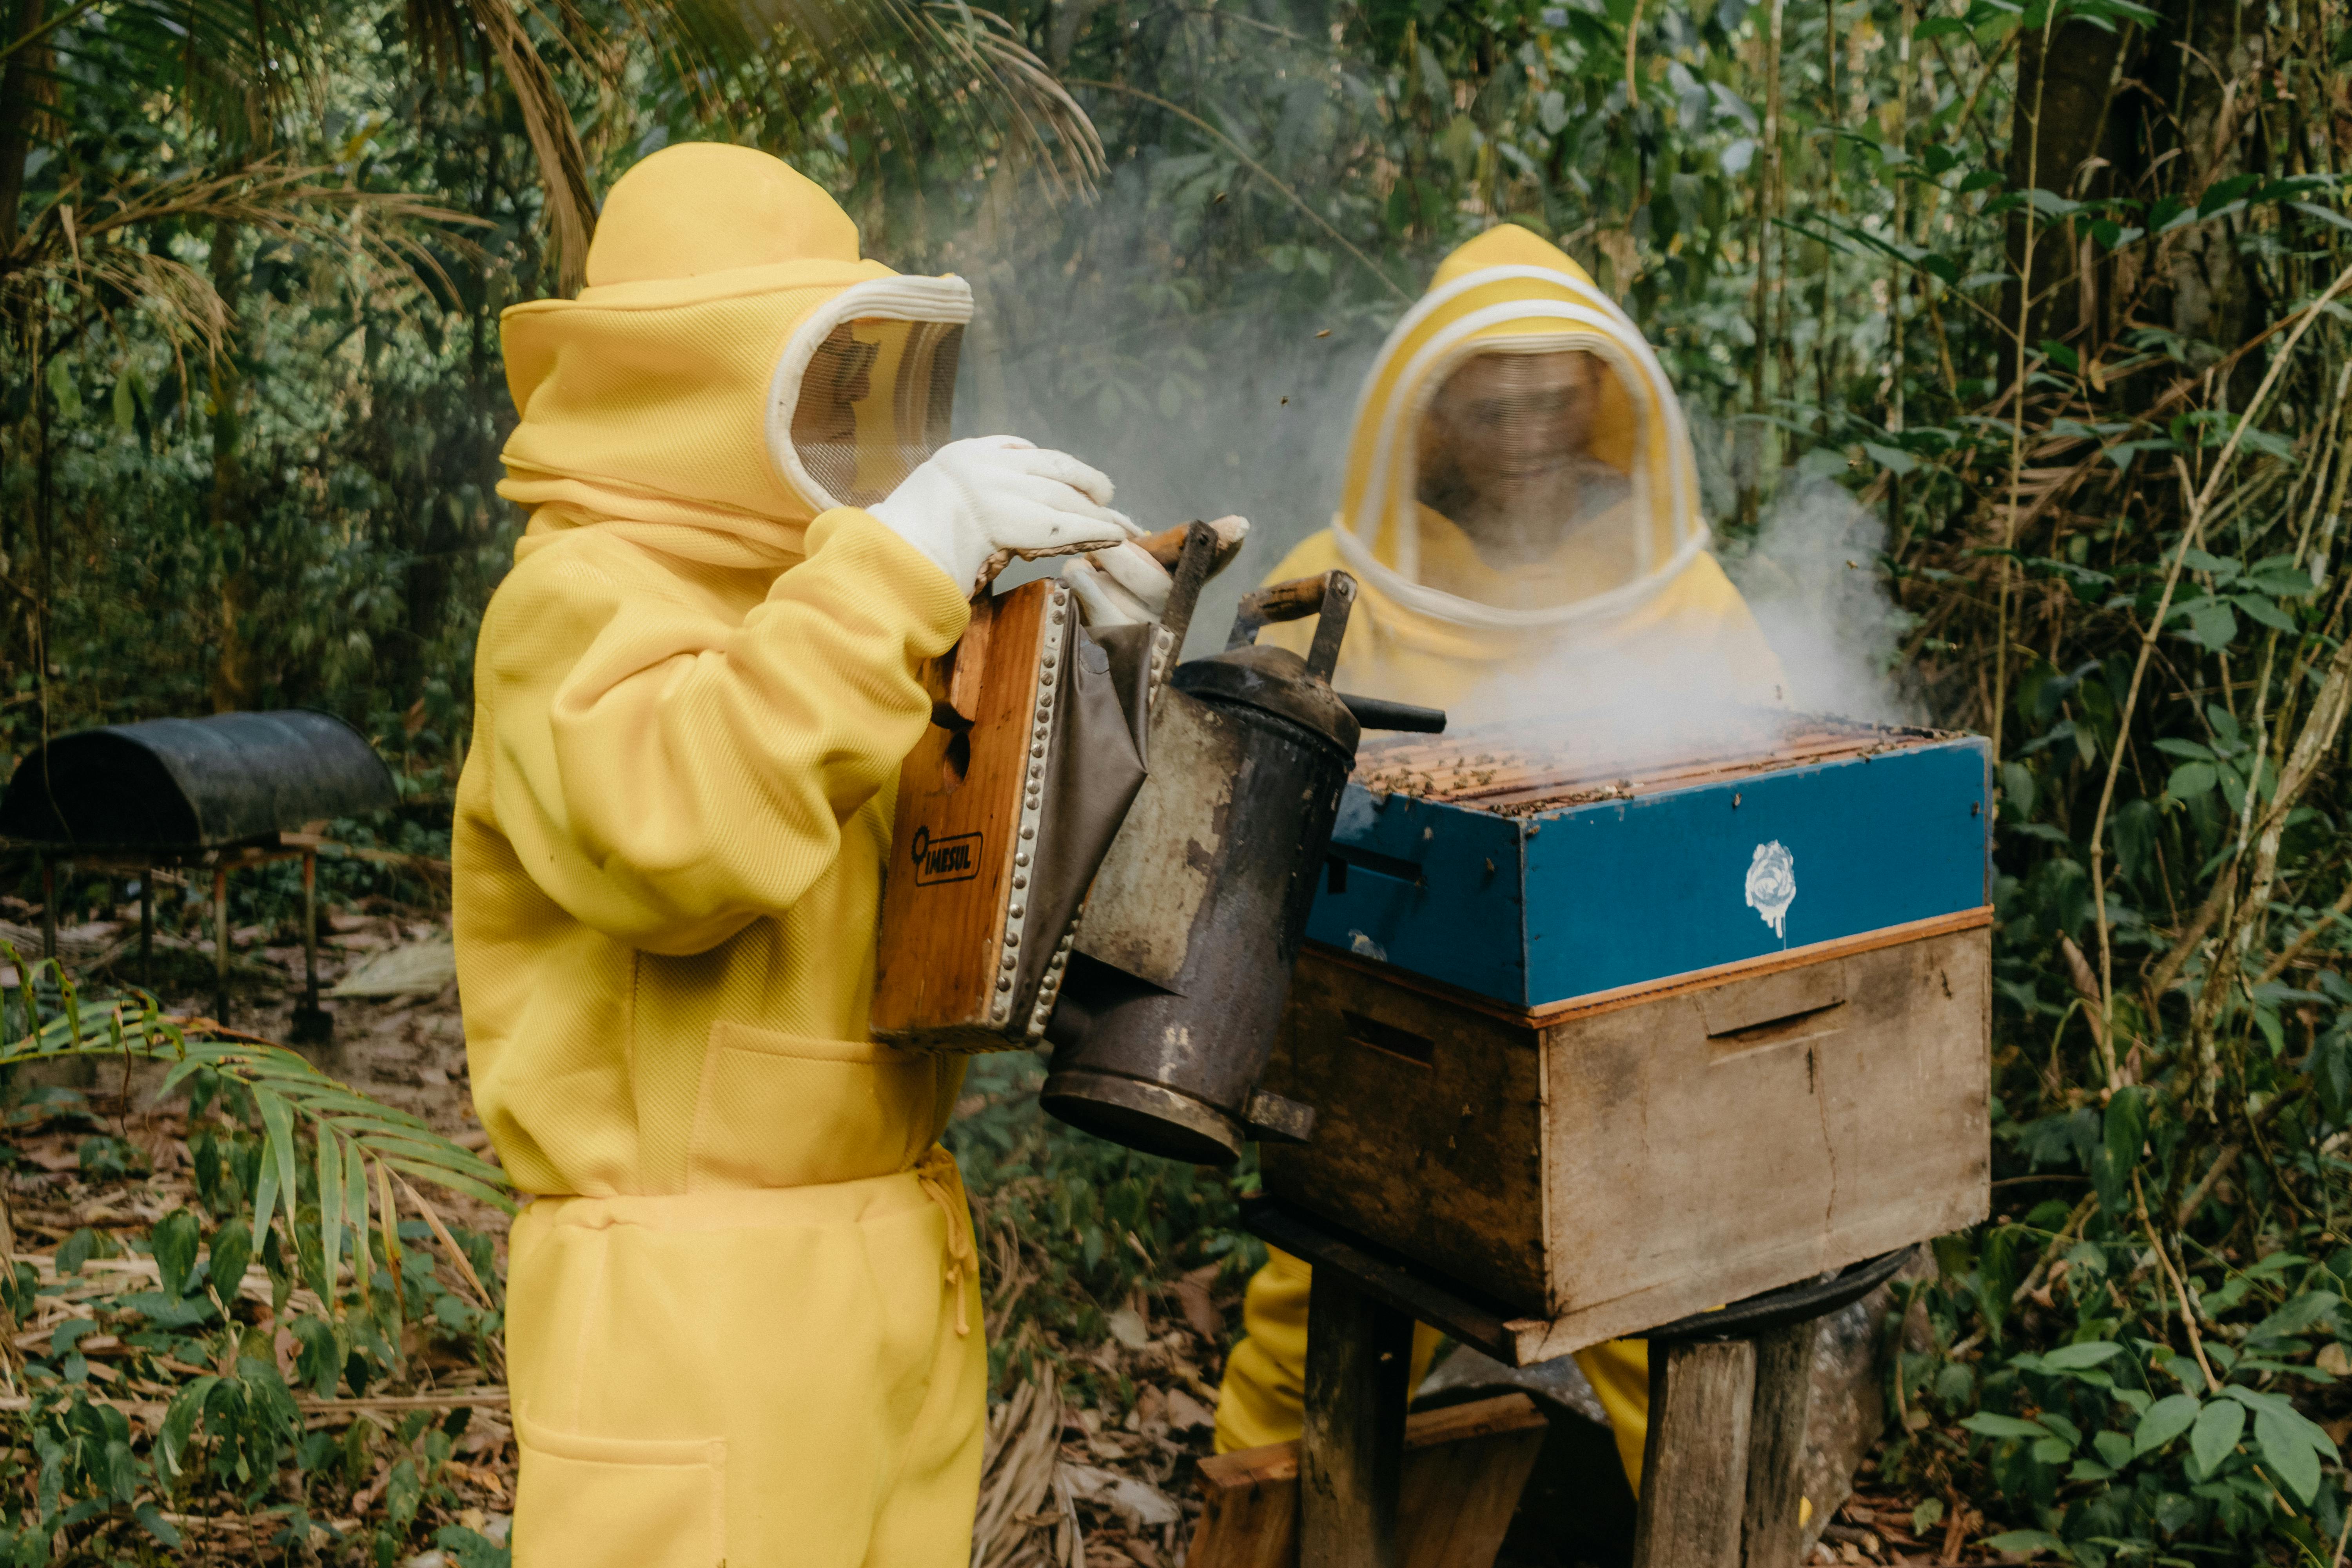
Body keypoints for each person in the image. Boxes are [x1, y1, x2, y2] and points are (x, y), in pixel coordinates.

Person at [451, 142, 1163, 1568]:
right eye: (824, 381)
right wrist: (906, 562)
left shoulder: (842, 612)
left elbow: (956, 908)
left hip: (900, 1272)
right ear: (690, 377)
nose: (858, 421)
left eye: (871, 378)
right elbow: (681, 839)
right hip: (691, 1311)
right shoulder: (572, 604)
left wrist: (1088, 668)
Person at [1212, 224, 1789, 1494]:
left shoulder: (1681, 595)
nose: (1527, 423)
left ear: (1598, 395)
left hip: (1622, 1066)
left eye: (1551, 390)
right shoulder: (1338, 586)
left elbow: (1770, 795)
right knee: (1309, 1324)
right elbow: (1248, 813)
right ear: (1435, 407)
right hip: (1393, 1050)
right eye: (1495, 393)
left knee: (1679, 1333)